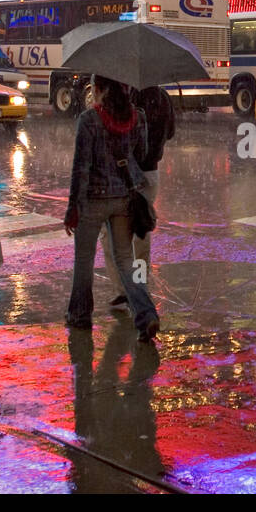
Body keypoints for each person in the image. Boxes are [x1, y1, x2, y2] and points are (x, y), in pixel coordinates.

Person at [64, 75, 162, 341]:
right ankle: (146, 314)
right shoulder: (137, 117)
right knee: (125, 260)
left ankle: (80, 314)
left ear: (97, 90)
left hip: (92, 200)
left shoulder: (89, 120)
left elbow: (80, 168)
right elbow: (140, 155)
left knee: (84, 261)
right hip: (123, 199)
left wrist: (73, 207)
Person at [101, 85, 175, 308]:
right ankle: (140, 284)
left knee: (112, 234)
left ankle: (123, 290)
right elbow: (170, 132)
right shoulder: (162, 96)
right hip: (151, 173)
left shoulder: (127, 97)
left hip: (126, 173)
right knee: (141, 231)